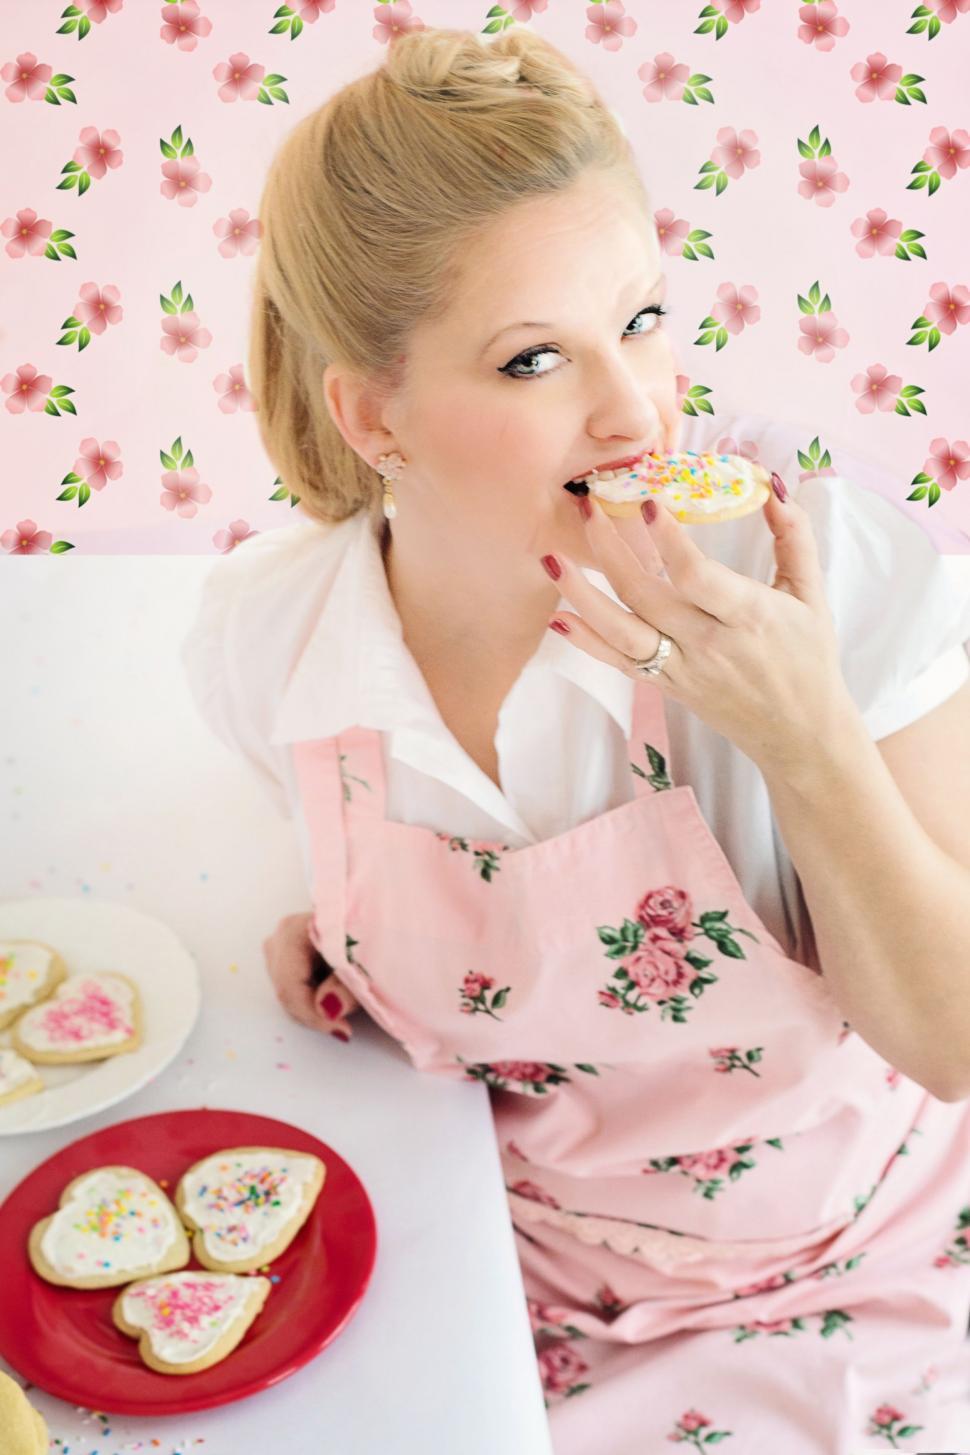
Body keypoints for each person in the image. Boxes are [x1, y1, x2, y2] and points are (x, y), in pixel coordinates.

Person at [180, 25, 970, 1453]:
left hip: (850, 1268)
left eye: (646, 319)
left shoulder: (816, 567)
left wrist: (803, 739)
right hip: (499, 1268)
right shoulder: (271, 648)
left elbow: (954, 1036)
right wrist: (346, 927)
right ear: (373, 415)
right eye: (536, 358)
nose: (636, 409)